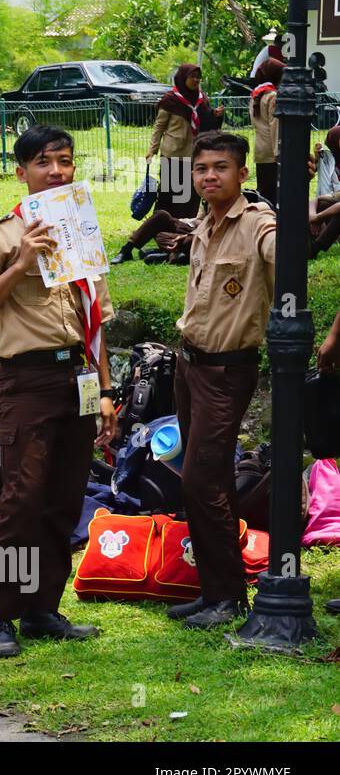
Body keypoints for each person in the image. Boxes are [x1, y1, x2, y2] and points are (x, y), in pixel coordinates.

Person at [0, 126, 115, 659]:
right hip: (26, 380)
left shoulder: (81, 231)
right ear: (22, 171)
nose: (56, 171)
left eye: (65, 161)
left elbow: (97, 321)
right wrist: (19, 265)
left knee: (64, 498)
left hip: (78, 376)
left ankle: (44, 607)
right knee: (21, 500)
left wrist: (108, 391)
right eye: (44, 162)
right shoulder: (0, 236)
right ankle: (1, 613)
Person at [166, 132, 275, 629]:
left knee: (201, 480)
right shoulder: (205, 223)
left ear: (242, 174)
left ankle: (228, 597)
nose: (210, 176)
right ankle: (214, 590)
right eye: (202, 168)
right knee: (206, 481)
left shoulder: (257, 224)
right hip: (189, 364)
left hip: (227, 369)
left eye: (221, 168)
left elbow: (285, 250)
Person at [114, 64, 224, 264]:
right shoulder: (170, 101)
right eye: (192, 77)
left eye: (199, 78)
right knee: (169, 198)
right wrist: (152, 149)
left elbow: (208, 125)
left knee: (190, 198)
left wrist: (216, 116)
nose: (196, 81)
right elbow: (159, 127)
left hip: (195, 156)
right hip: (173, 156)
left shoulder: (201, 99)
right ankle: (163, 241)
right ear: (183, 78)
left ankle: (168, 249)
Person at [250, 59, 284, 206]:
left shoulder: (256, 95)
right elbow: (275, 125)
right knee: (274, 194)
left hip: (260, 150)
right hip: (272, 151)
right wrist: (279, 152)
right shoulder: (272, 96)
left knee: (264, 192)